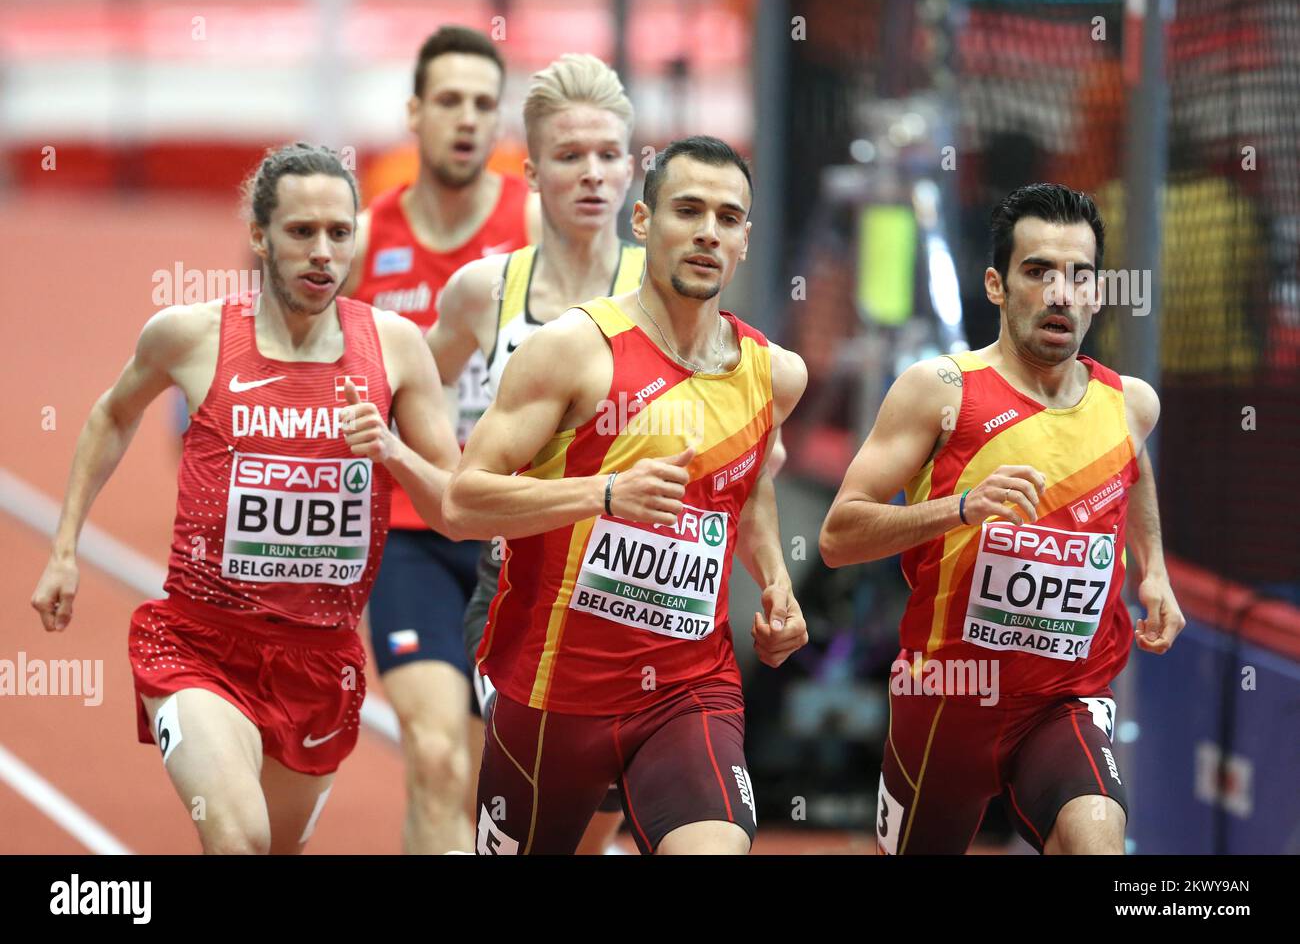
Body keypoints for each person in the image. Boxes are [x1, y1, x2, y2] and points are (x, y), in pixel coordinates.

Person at [30, 143, 460, 854]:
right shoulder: (191, 336)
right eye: (300, 232)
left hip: (320, 660)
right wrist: (65, 548)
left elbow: (450, 505)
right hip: (201, 646)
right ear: (259, 236)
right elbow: (112, 413)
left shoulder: (396, 348)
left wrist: (390, 451)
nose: (322, 252)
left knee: (273, 848)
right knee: (240, 840)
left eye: (339, 233)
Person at [445, 135, 809, 855]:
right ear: (642, 223)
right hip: (553, 693)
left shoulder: (776, 375)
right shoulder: (572, 350)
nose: (709, 231)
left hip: (687, 690)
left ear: (744, 240)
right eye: (688, 210)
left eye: (729, 218)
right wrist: (603, 495)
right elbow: (464, 503)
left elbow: (749, 482)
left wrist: (775, 580)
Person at [819, 183, 1186, 855]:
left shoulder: (1130, 405)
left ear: (1097, 293)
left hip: (1063, 701)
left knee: (1097, 841)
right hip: (946, 701)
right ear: (996, 284)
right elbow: (840, 536)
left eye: (1079, 276)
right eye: (1038, 271)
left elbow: (1133, 472)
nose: (1060, 293)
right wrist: (960, 508)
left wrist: (1154, 572)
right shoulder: (940, 393)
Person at [428, 52, 642, 852]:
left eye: (608, 155)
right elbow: (419, 384)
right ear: (532, 170)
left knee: (590, 831)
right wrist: (441, 475)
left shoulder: (665, 290)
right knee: (546, 819)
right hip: (518, 588)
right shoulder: (484, 291)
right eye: (569, 156)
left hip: (638, 596)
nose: (592, 175)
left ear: (631, 169)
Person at [340, 25, 538, 854]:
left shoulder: (534, 226)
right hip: (413, 533)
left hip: (518, 533)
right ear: (414, 113)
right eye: (449, 101)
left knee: (525, 777)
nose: (467, 119)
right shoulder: (356, 240)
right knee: (434, 755)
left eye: (484, 105)